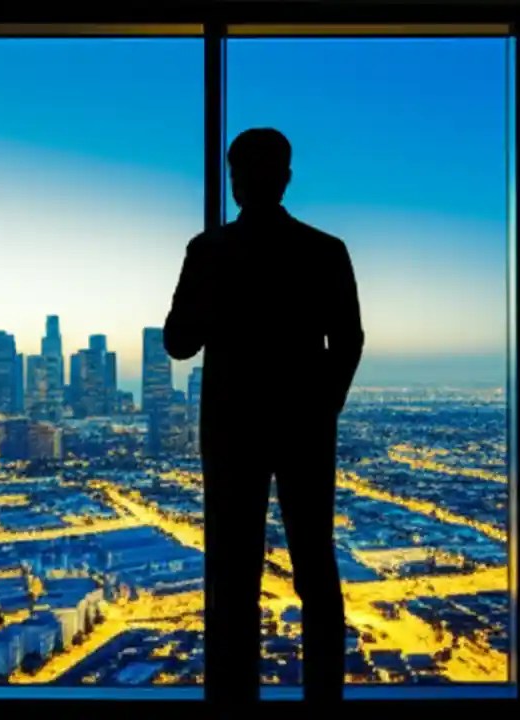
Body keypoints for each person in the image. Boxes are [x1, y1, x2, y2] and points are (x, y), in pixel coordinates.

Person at [164, 127, 364, 706]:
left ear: (234, 180)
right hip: (305, 425)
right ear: (286, 178)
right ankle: (324, 700)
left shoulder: (208, 251)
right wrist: (325, 404)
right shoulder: (326, 250)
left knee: (232, 570)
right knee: (315, 564)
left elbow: (179, 343)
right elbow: (348, 340)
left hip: (231, 427)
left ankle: (232, 702)